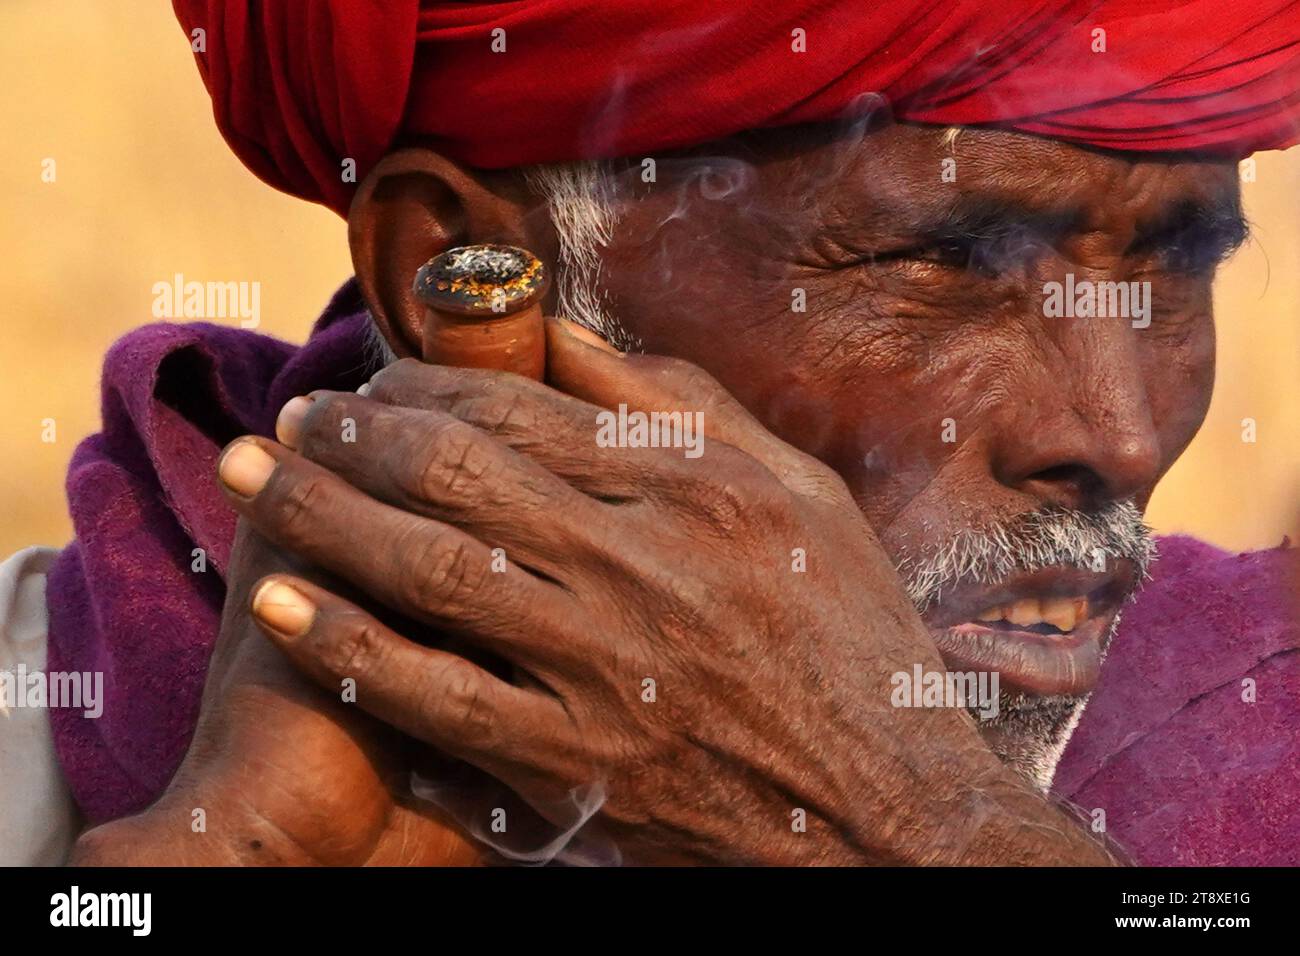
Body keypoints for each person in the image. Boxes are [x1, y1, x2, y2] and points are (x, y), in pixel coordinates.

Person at [2, 0, 1297, 866]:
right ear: (465, 274)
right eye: (952, 266)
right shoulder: (35, 741)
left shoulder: (1258, 722)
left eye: (1177, 269)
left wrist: (919, 827)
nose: (1121, 436)